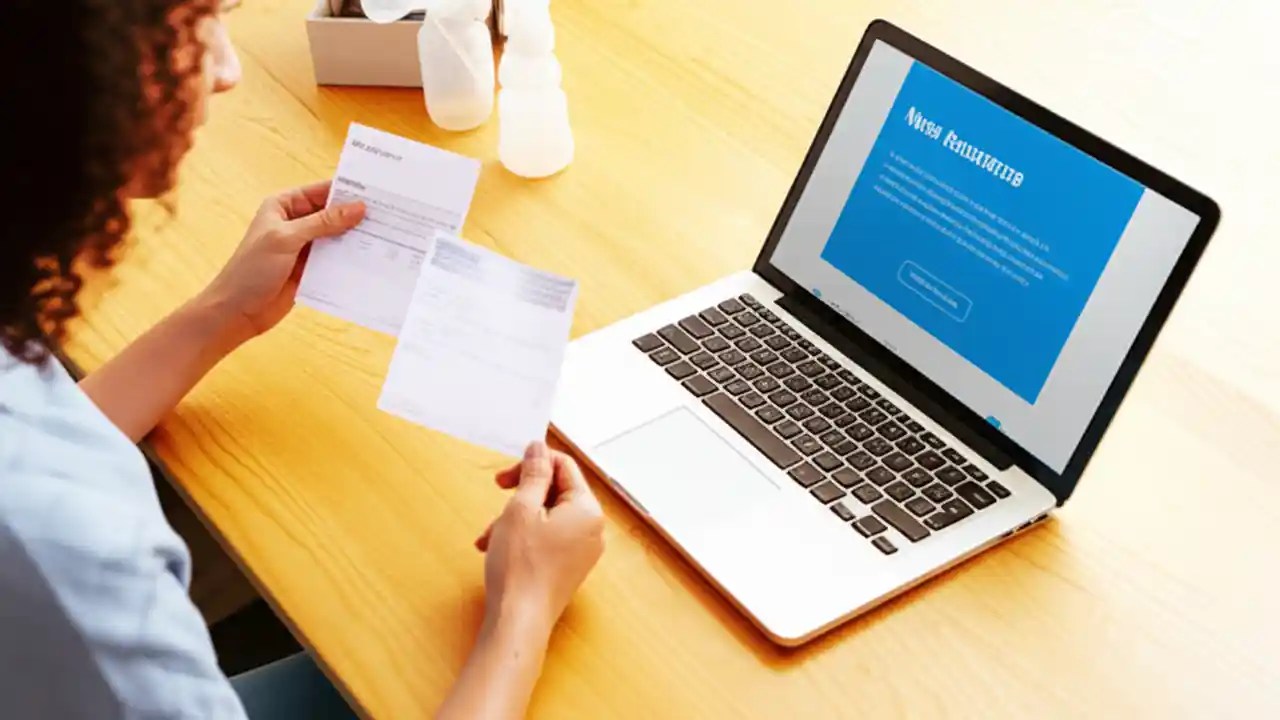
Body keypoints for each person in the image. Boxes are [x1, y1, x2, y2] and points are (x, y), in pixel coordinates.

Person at [0, 1, 605, 718]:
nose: (228, 69)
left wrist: (225, 312)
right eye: (192, 24)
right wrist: (522, 610)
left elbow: (33, 438)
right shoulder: (68, 559)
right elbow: (39, 496)